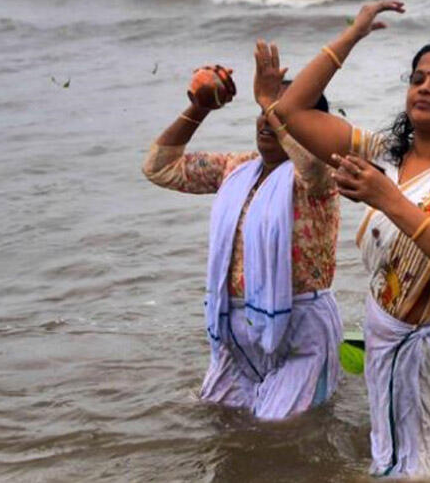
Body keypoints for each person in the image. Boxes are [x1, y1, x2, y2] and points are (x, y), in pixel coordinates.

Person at [265, 0, 430, 482]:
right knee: (395, 466)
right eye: (417, 77)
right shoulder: (384, 155)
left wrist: (391, 201)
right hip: (392, 345)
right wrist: (353, 33)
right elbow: (290, 110)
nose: (425, 87)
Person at [140, 45, 341, 420]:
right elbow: (158, 167)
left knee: (283, 434)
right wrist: (199, 108)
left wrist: (269, 99)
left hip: (298, 331)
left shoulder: (318, 176)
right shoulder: (237, 167)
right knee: (225, 427)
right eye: (264, 112)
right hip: (236, 332)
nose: (267, 121)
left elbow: (311, 162)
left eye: (281, 114)